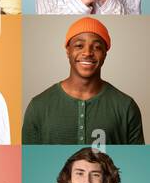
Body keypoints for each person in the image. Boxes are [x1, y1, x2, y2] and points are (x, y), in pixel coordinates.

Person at [22, 17, 143, 145]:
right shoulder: (38, 106)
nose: (87, 53)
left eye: (96, 47)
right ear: (68, 51)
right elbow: (27, 160)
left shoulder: (126, 107)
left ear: (105, 54)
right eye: (79, 46)